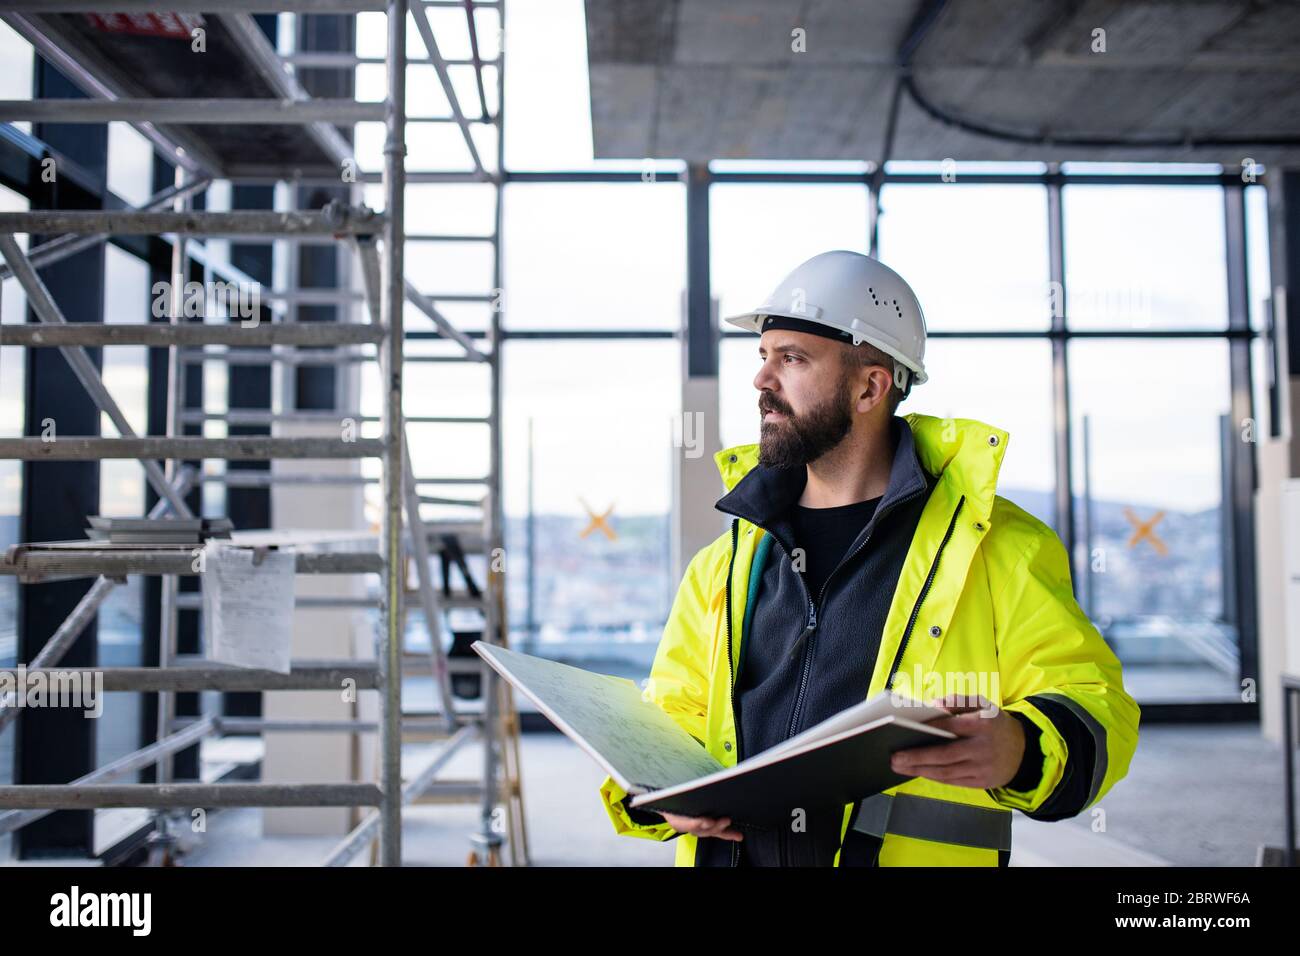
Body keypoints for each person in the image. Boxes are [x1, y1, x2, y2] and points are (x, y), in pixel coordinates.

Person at [597, 250, 1140, 866]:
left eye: (793, 358)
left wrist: (1020, 747)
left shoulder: (999, 549)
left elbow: (1099, 704)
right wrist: (651, 792)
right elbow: (674, 717)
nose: (762, 381)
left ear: (870, 385)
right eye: (763, 356)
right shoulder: (724, 565)